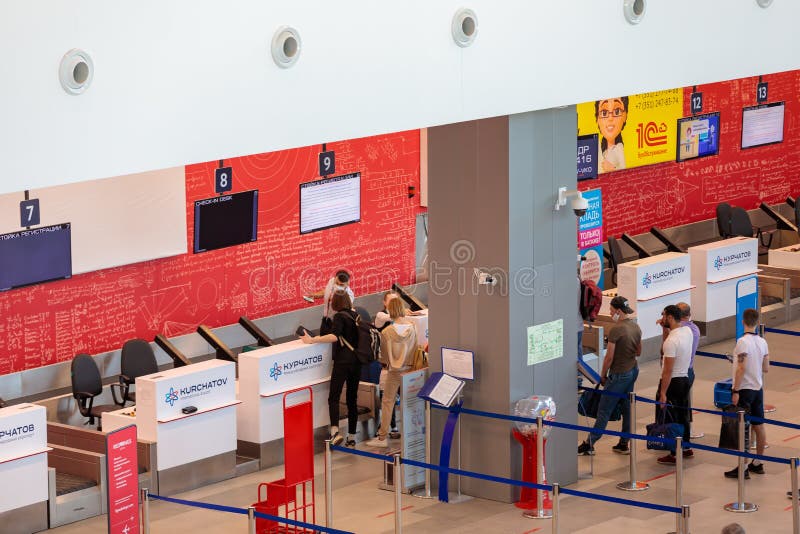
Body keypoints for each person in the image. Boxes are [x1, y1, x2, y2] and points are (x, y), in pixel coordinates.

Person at [578, 296, 641, 456]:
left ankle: (589, 443)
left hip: (619, 374)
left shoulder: (617, 329)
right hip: (633, 370)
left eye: (612, 310)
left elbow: (609, 357)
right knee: (627, 407)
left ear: (619, 311)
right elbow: (639, 351)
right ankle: (624, 442)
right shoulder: (635, 326)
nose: (611, 313)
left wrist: (603, 374)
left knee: (604, 409)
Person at [300, 290, 361, 447]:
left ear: (336, 303)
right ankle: (352, 436)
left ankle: (335, 432)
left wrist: (313, 340)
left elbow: (334, 336)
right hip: (357, 361)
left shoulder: (340, 317)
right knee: (352, 398)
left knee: (334, 396)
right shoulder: (356, 315)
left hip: (343, 362)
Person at [366, 298, 417, 448]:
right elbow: (415, 348)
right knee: (411, 402)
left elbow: (384, 356)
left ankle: (382, 437)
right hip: (410, 370)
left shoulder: (387, 332)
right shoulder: (413, 327)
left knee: (388, 402)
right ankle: (414, 433)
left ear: (390, 311)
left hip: (394, 371)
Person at [725, 308, 769, 479]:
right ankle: (757, 463)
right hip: (758, 388)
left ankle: (742, 467)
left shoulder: (742, 342)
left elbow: (742, 367)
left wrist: (735, 389)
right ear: (757, 322)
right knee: (759, 426)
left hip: (745, 389)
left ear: (743, 322)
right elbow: (766, 368)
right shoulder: (762, 342)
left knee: (742, 427)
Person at [655, 305, 694, 465]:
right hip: (685, 379)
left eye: (664, 316)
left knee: (672, 418)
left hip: (673, 382)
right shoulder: (687, 331)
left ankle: (674, 452)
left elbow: (667, 371)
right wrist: (664, 328)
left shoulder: (672, 341)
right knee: (683, 415)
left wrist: (663, 392)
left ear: (670, 317)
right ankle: (685, 447)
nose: (662, 318)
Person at [595, 97, 629, 173]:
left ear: (625, 116)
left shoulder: (619, 147)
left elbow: (624, 170)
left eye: (617, 111)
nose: (610, 118)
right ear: (597, 119)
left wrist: (612, 168)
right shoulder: (603, 152)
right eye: (604, 113)